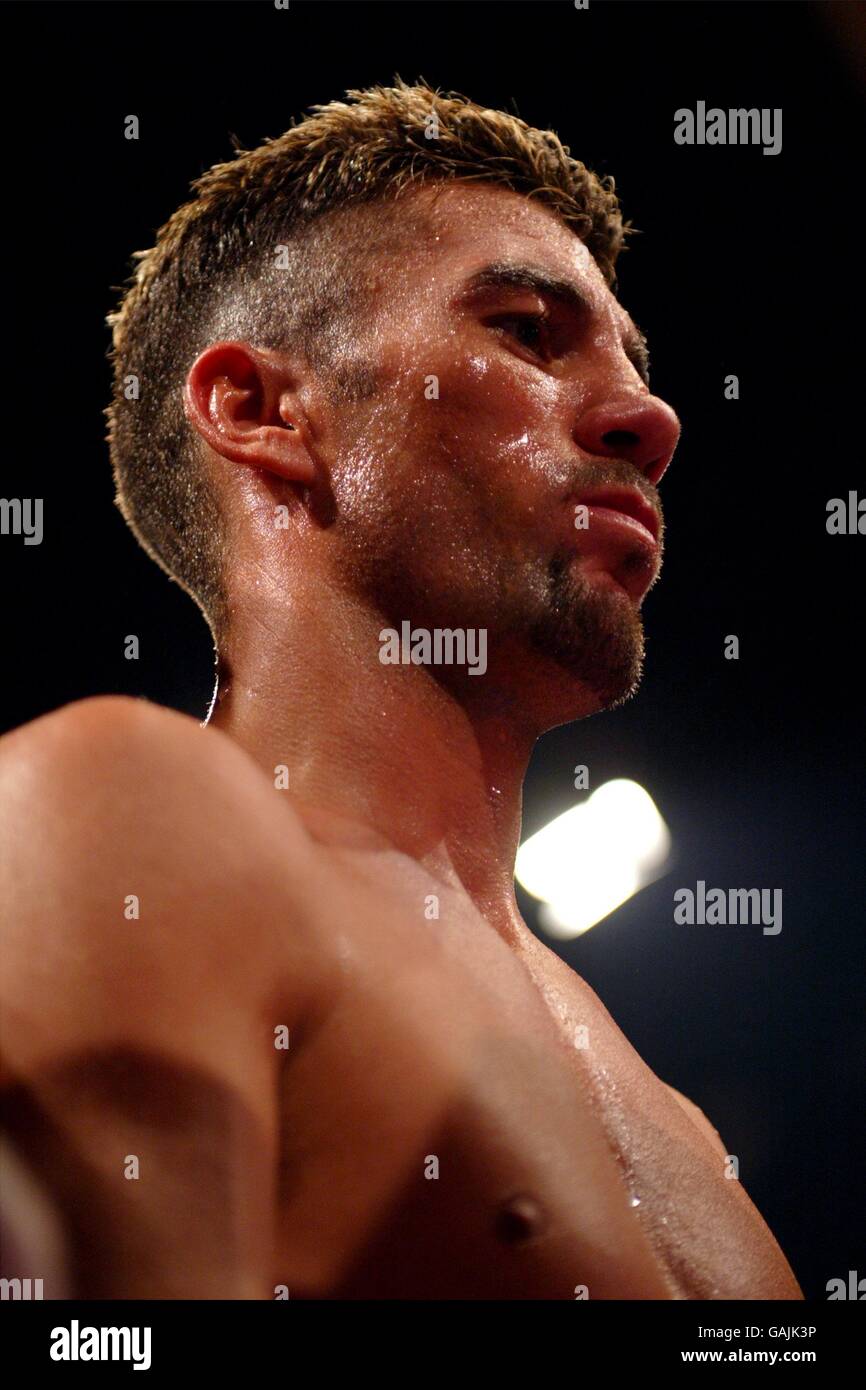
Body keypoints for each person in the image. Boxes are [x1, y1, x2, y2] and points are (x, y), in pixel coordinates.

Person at [0, 81, 802, 1299]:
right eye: (529, 331)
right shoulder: (119, 811)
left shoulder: (675, 1119)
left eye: (631, 361)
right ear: (263, 411)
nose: (650, 416)